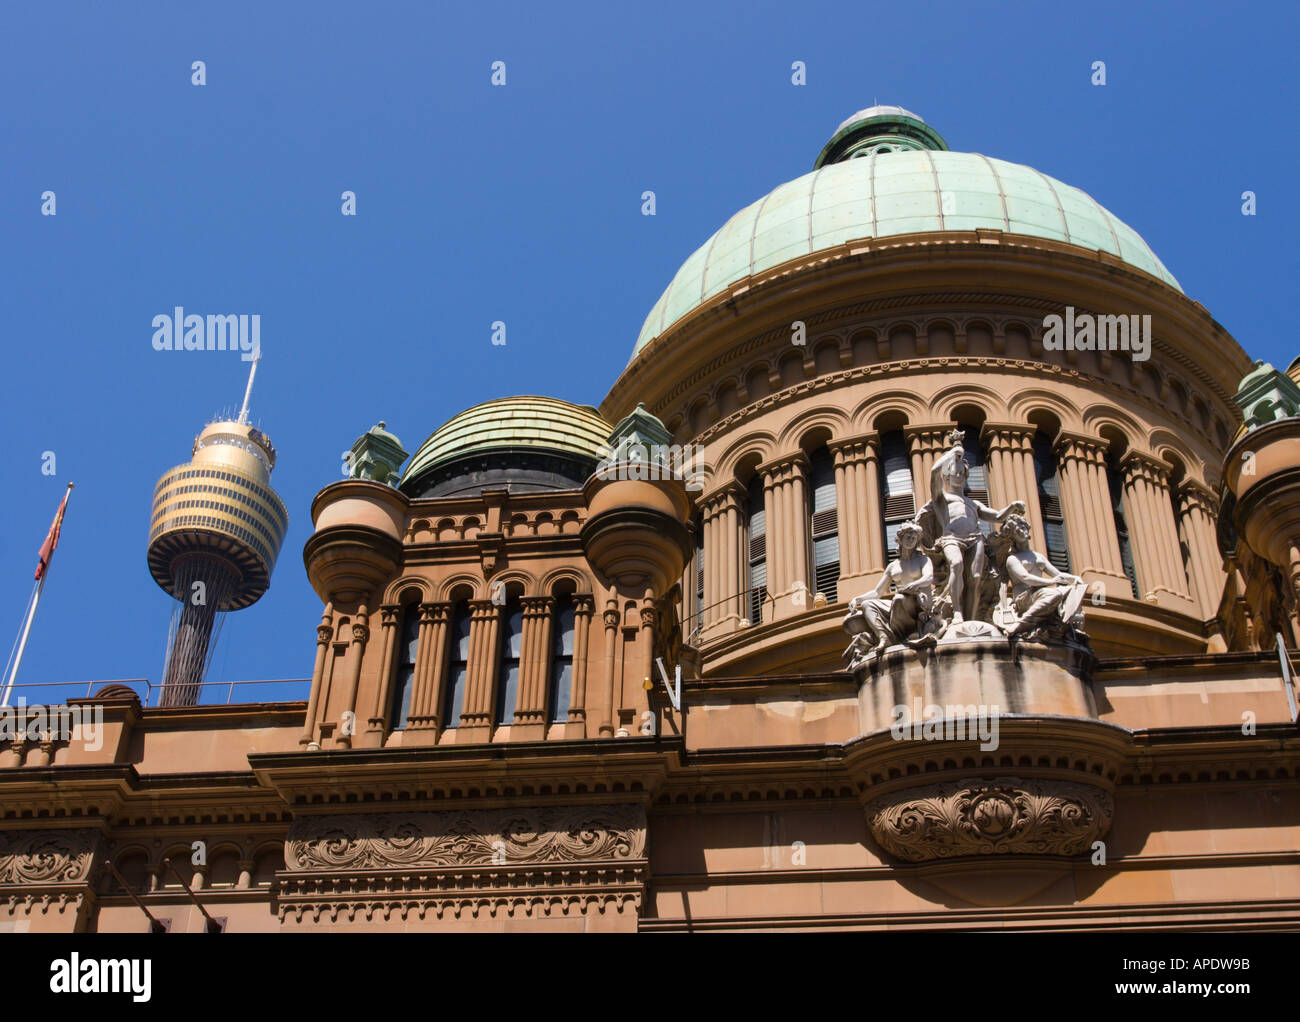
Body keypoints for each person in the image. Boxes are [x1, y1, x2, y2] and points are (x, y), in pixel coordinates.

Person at [919, 430, 1025, 624]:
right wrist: (953, 453)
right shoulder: (941, 499)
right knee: (957, 565)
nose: (958, 475)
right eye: (954, 472)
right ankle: (957, 612)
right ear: (946, 477)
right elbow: (934, 472)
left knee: (975, 577)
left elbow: (997, 516)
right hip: (951, 538)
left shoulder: (972, 503)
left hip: (975, 538)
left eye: (961, 473)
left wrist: (1012, 508)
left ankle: (971, 616)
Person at [843, 521, 934, 660]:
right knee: (868, 605)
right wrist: (858, 599)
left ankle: (907, 631)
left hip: (918, 604)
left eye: (914, 538)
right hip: (900, 605)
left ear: (917, 541)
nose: (910, 540)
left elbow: (929, 577)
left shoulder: (923, 560)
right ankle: (884, 636)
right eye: (908, 537)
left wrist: (915, 585)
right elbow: (878, 592)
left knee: (898, 599)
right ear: (900, 539)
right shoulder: (893, 567)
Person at [1001, 513, 1088, 640]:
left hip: (1040, 592)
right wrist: (1050, 581)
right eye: (1016, 530)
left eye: (1023, 527)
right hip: (1023, 598)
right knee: (1053, 594)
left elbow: (1058, 575)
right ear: (1012, 537)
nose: (1021, 531)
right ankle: (1020, 625)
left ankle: (1060, 624)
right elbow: (1025, 578)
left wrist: (1074, 579)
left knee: (1068, 591)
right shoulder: (1013, 559)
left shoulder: (1038, 556)